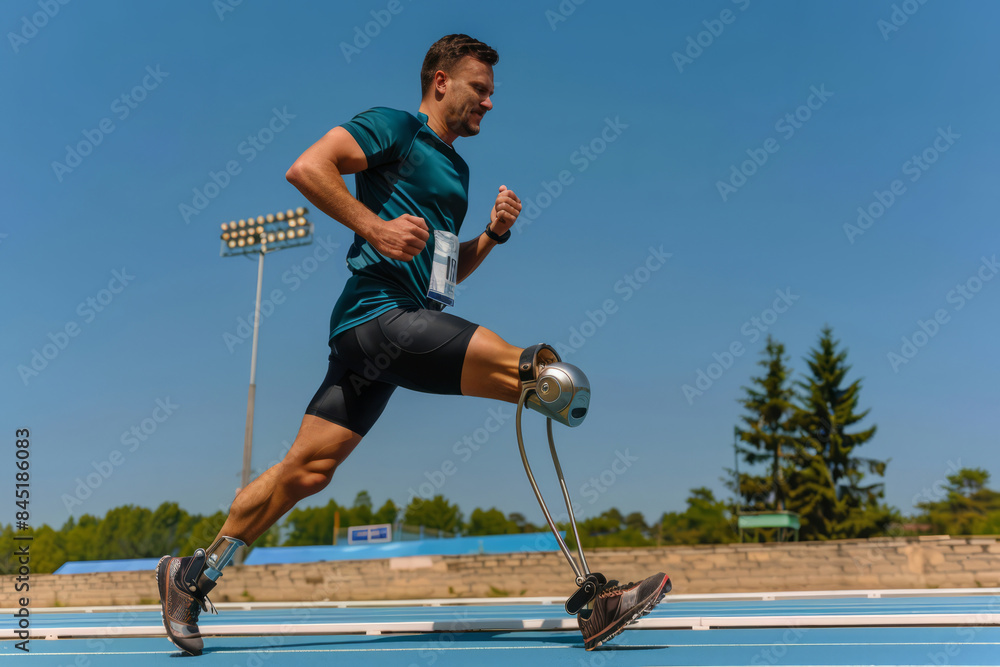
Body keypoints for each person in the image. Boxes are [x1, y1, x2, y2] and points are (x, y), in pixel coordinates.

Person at [157, 34, 668, 655]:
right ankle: (596, 601)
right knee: (539, 378)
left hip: (401, 324)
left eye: (491, 93)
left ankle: (190, 575)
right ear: (441, 81)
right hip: (375, 316)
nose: (488, 102)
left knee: (306, 472)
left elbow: (442, 278)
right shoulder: (394, 127)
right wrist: (374, 226)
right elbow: (307, 167)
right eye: (480, 89)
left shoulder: (457, 172)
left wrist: (494, 236)